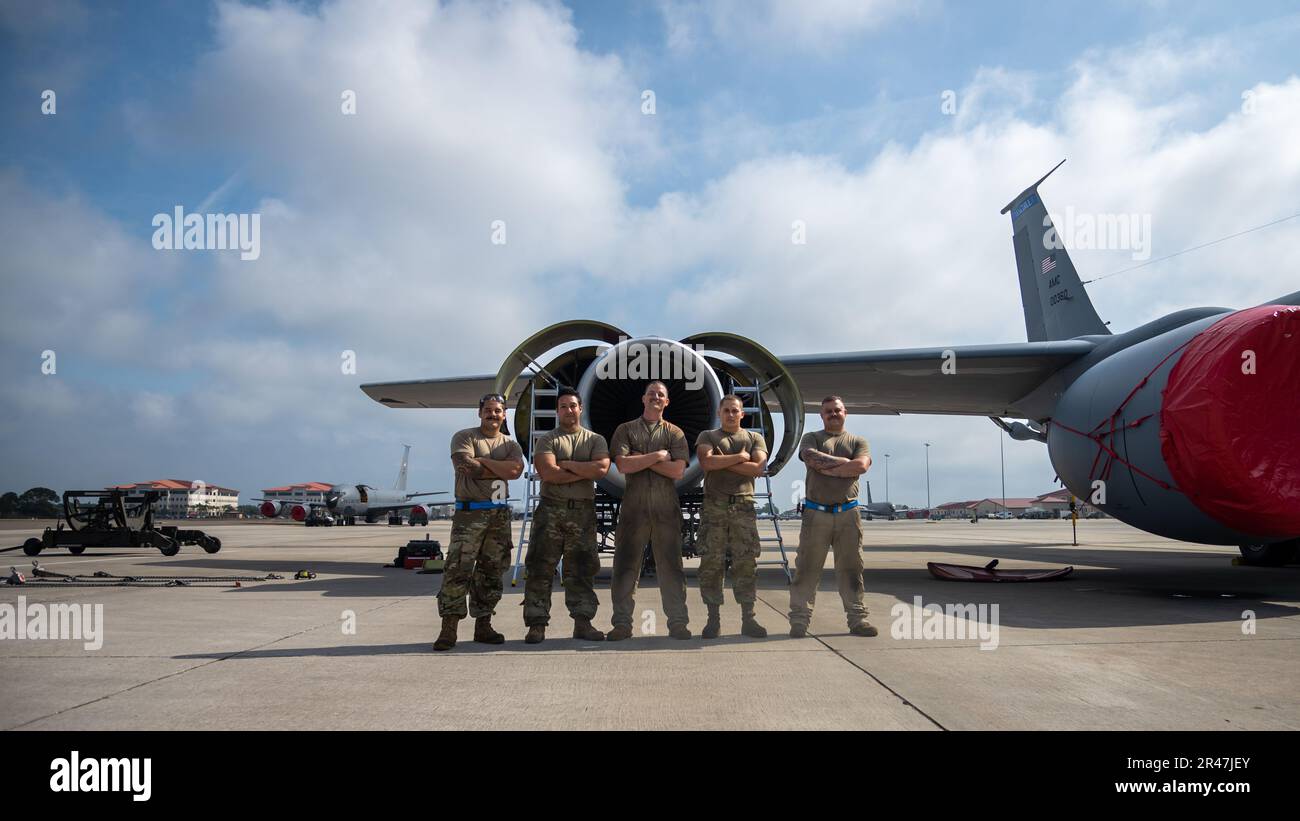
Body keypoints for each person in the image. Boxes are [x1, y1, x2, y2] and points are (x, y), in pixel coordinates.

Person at [434, 393, 524, 651]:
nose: (493, 415)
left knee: (492, 572)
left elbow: (516, 472)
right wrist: (498, 468)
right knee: (457, 570)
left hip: (498, 515)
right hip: (469, 514)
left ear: (504, 414)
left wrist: (483, 461)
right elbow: (464, 466)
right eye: (488, 410)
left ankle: (483, 624)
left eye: (498, 411)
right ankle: (448, 628)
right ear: (479, 412)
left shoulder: (510, 445)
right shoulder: (465, 437)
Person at [523, 388, 610, 644]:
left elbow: (602, 469)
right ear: (558, 411)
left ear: (580, 408)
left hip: (582, 511)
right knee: (540, 566)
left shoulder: (595, 440)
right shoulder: (547, 439)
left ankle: (582, 623)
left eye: (573, 405)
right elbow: (549, 474)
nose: (568, 410)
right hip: (551, 509)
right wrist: (585, 470)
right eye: (563, 406)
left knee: (582, 569)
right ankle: (536, 624)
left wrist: (568, 465)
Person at [607, 380, 691, 640]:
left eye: (661, 395)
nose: (656, 397)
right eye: (651, 393)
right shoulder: (625, 429)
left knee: (671, 568)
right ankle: (622, 624)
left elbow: (677, 471)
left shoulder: (675, 433)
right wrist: (657, 457)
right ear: (643, 399)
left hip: (666, 510)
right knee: (624, 567)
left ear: (667, 402)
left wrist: (640, 459)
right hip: (634, 509)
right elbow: (622, 465)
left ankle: (678, 623)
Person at [787, 395, 877, 638]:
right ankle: (799, 621)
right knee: (806, 569)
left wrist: (831, 467)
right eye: (828, 411)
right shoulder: (811, 438)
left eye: (837, 410)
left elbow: (860, 466)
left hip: (848, 514)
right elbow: (811, 458)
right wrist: (844, 465)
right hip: (816, 514)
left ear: (845, 412)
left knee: (851, 569)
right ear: (822, 415)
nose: (833, 414)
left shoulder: (859, 441)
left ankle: (857, 620)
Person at [695, 395, 769, 639]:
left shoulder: (754, 438)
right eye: (726, 410)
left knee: (745, 563)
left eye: (734, 410)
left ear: (742, 414)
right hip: (714, 507)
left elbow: (757, 468)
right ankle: (713, 620)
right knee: (711, 564)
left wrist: (722, 461)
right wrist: (739, 458)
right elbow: (706, 462)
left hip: (743, 507)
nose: (730, 414)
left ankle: (749, 618)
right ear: (719, 412)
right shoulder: (708, 436)